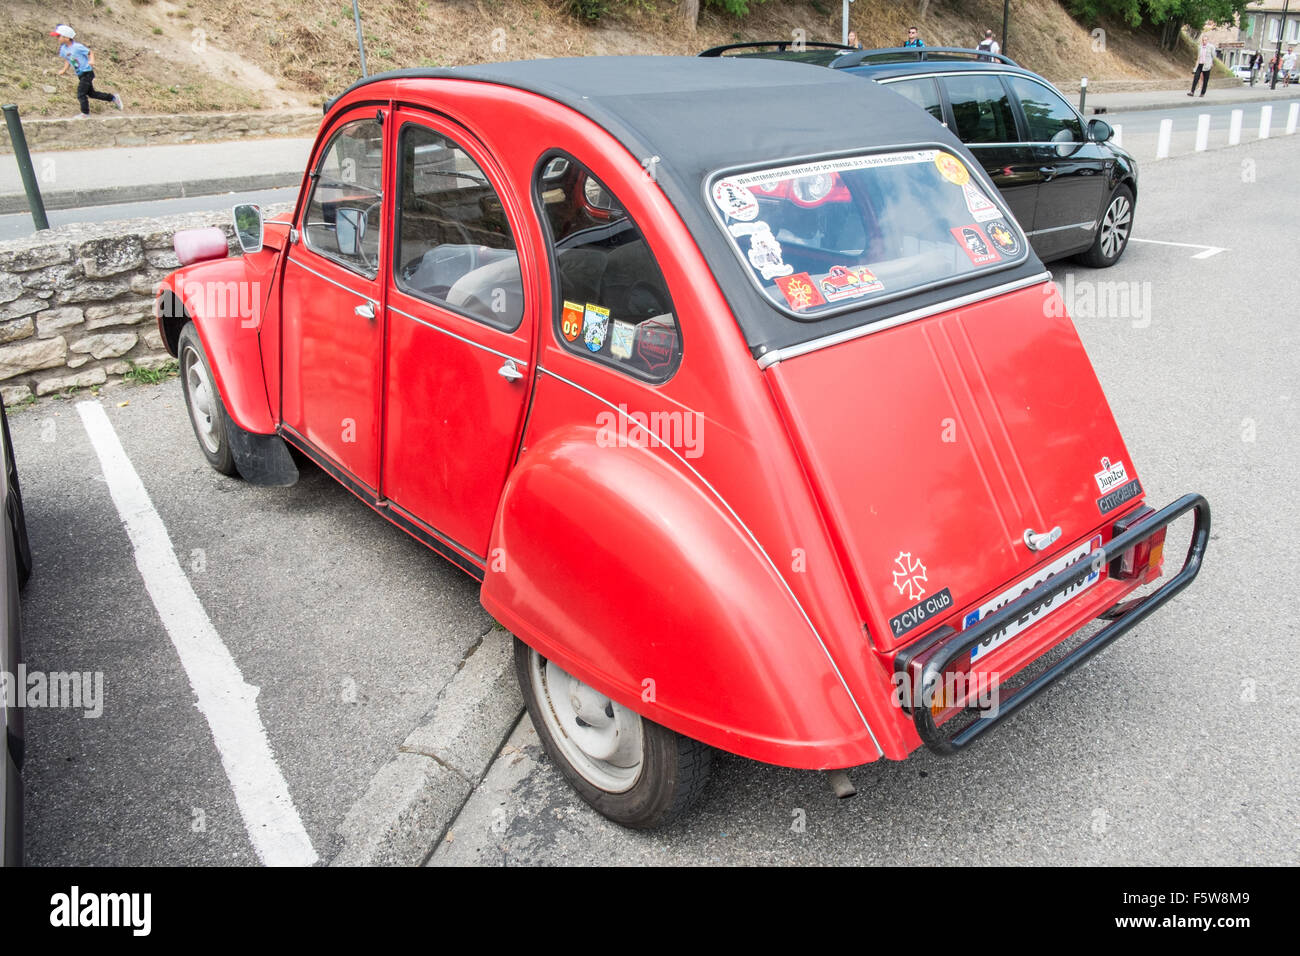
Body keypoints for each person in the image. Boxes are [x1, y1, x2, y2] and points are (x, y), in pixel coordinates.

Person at [51, 23, 123, 118]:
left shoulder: (77, 47)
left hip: (87, 72)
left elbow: (90, 52)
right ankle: (113, 98)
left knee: (81, 93)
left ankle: (85, 113)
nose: (57, 38)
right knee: (92, 94)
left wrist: (92, 60)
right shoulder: (63, 49)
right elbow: (67, 60)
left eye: (59, 36)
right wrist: (63, 70)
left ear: (67, 38)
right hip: (80, 74)